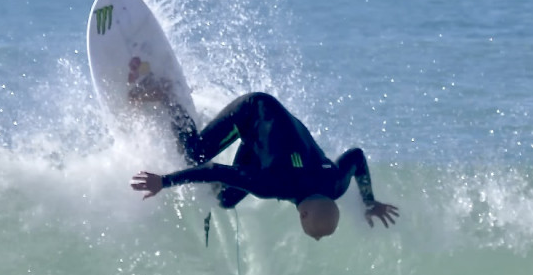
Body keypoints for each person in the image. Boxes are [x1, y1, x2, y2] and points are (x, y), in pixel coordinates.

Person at [129, 90, 399, 241]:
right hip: (254, 111)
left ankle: (215, 181)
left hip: (270, 143)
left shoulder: (336, 184)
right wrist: (164, 181)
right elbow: (214, 170)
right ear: (303, 215)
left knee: (227, 200)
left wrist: (370, 201)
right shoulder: (271, 184)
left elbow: (357, 156)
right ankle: (166, 96)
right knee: (195, 154)